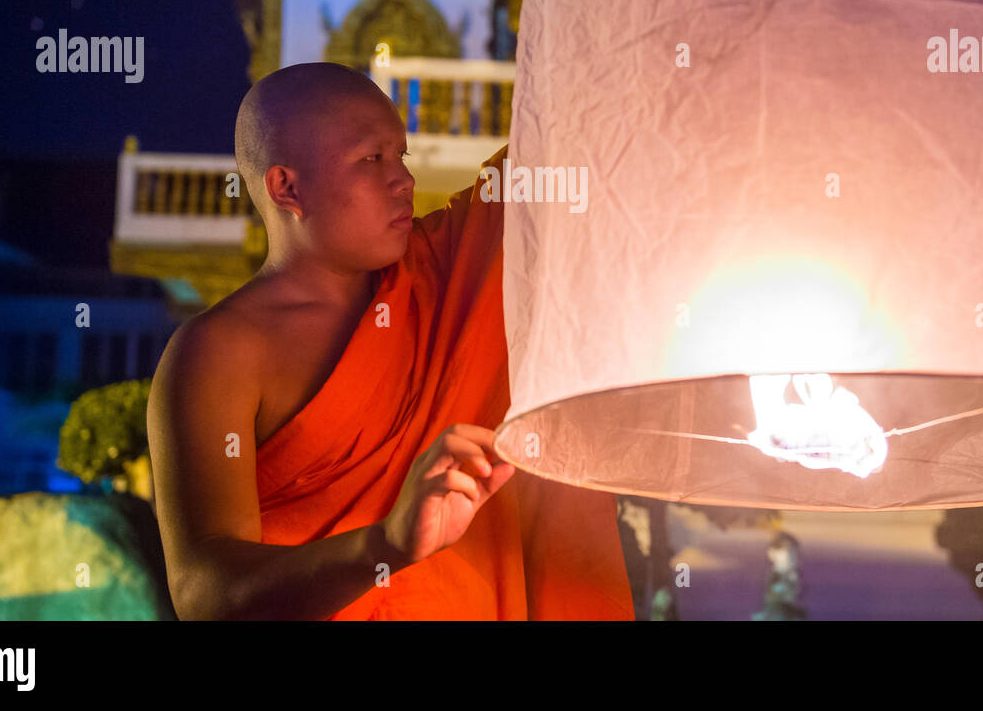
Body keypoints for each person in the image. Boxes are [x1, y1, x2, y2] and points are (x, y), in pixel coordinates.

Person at [147, 61, 635, 620]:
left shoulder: (451, 269)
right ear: (287, 186)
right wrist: (387, 546)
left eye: (399, 156)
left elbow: (568, 131)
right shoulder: (222, 351)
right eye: (371, 159)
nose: (402, 179)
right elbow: (204, 596)